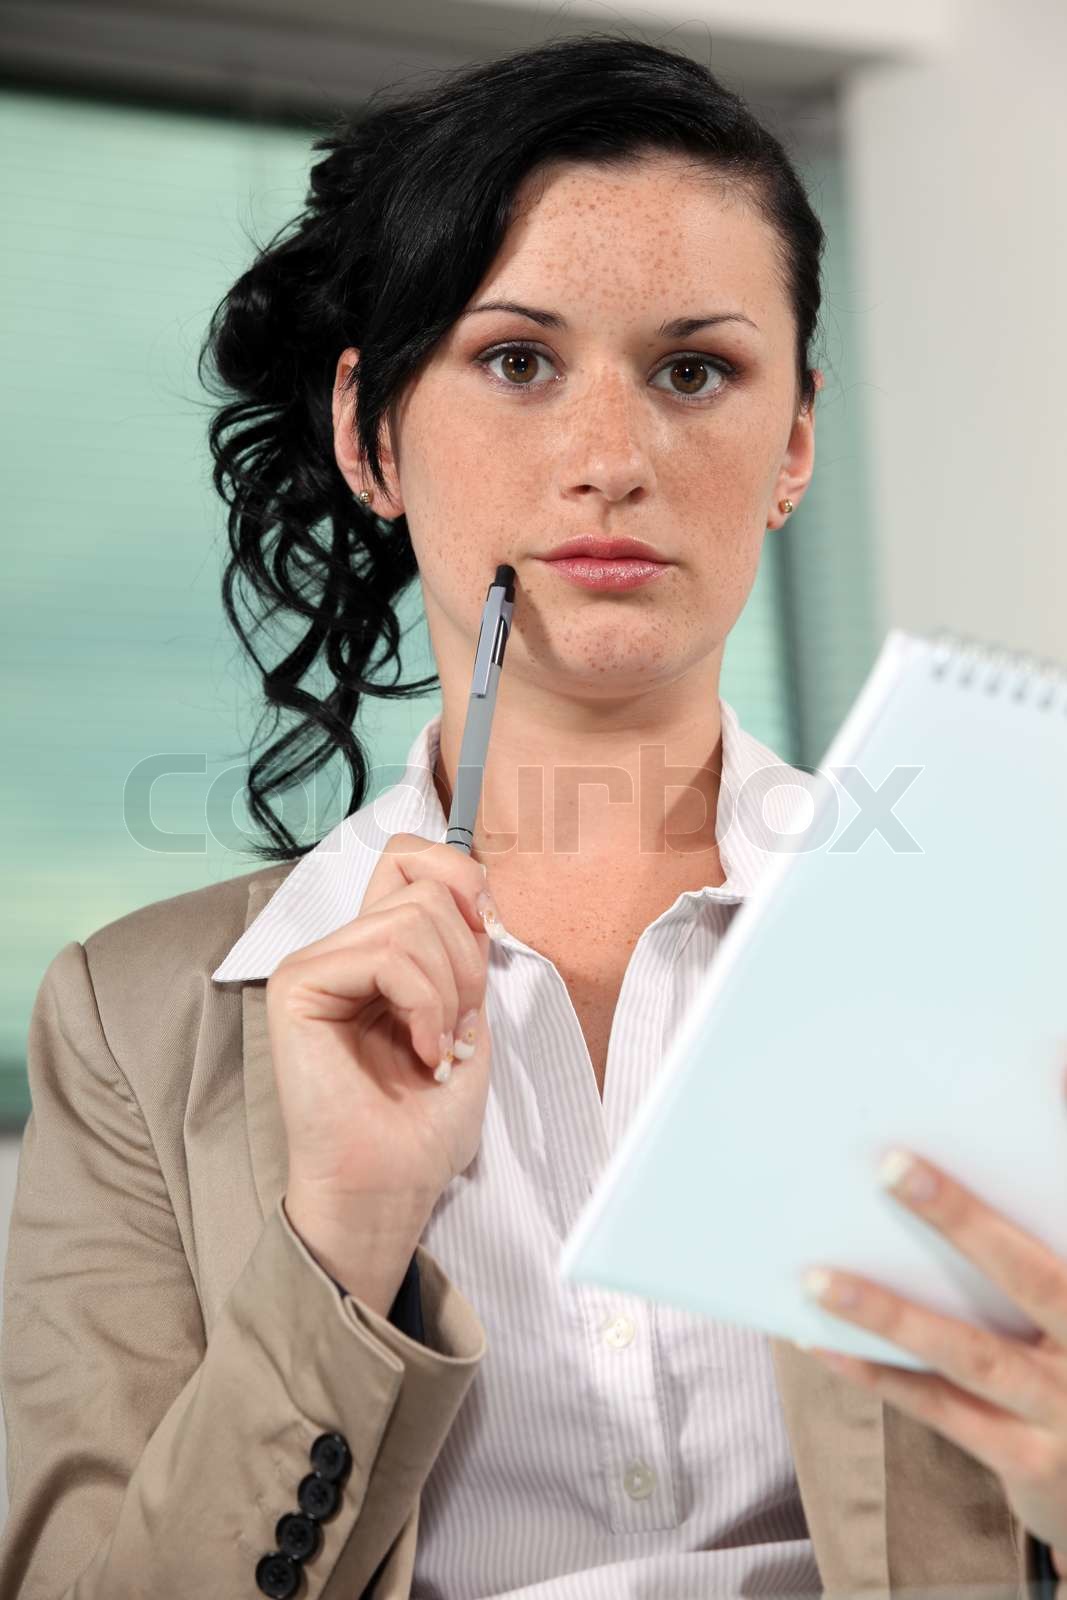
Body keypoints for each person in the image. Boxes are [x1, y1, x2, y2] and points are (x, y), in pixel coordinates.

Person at [0, 31, 1061, 1600]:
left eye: (697, 371)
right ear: (371, 434)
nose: (612, 461)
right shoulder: (130, 1022)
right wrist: (339, 1250)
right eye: (516, 362)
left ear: (796, 444)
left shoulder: (1023, 937)